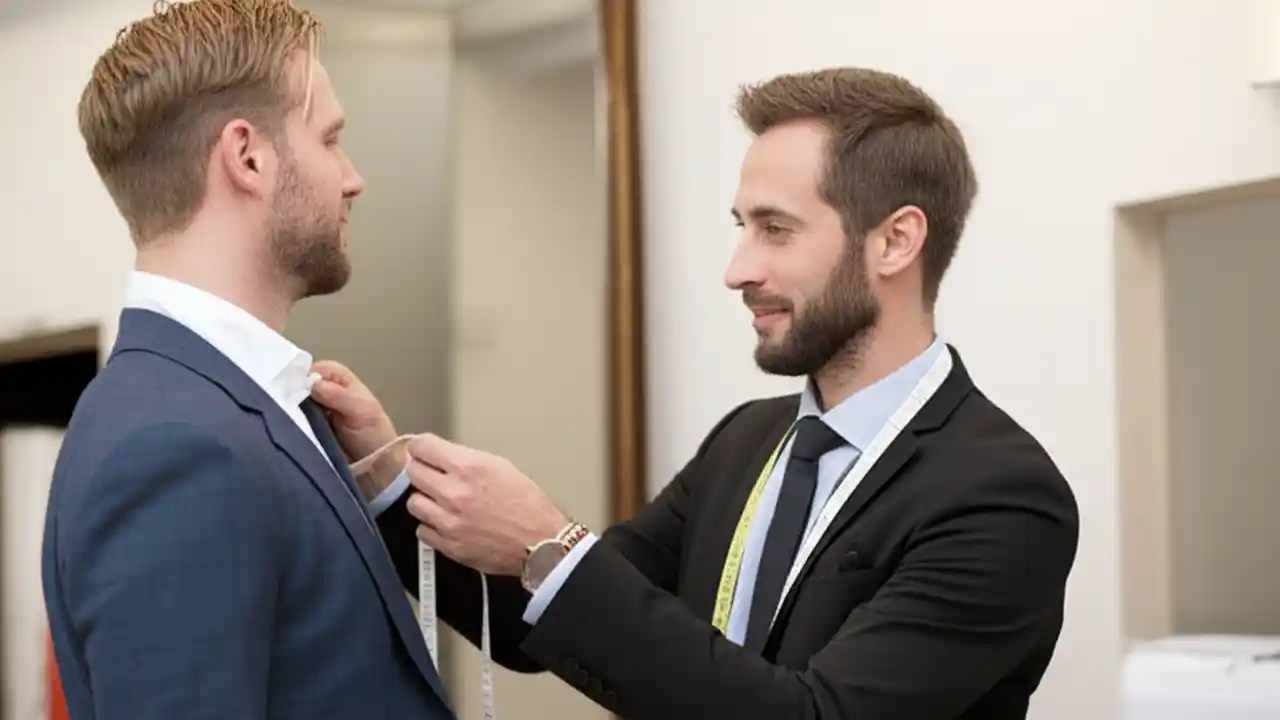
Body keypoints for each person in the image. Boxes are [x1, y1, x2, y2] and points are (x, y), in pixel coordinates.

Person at [319, 66, 1080, 719]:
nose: (737, 270)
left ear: (895, 241)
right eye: (741, 227)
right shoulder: (746, 440)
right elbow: (545, 624)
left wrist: (552, 541)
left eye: (775, 230)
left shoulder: (1002, 498)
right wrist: (394, 479)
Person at [40, 1, 479, 717]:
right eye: (330, 139)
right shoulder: (172, 449)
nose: (353, 178)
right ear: (248, 157)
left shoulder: (237, 408)